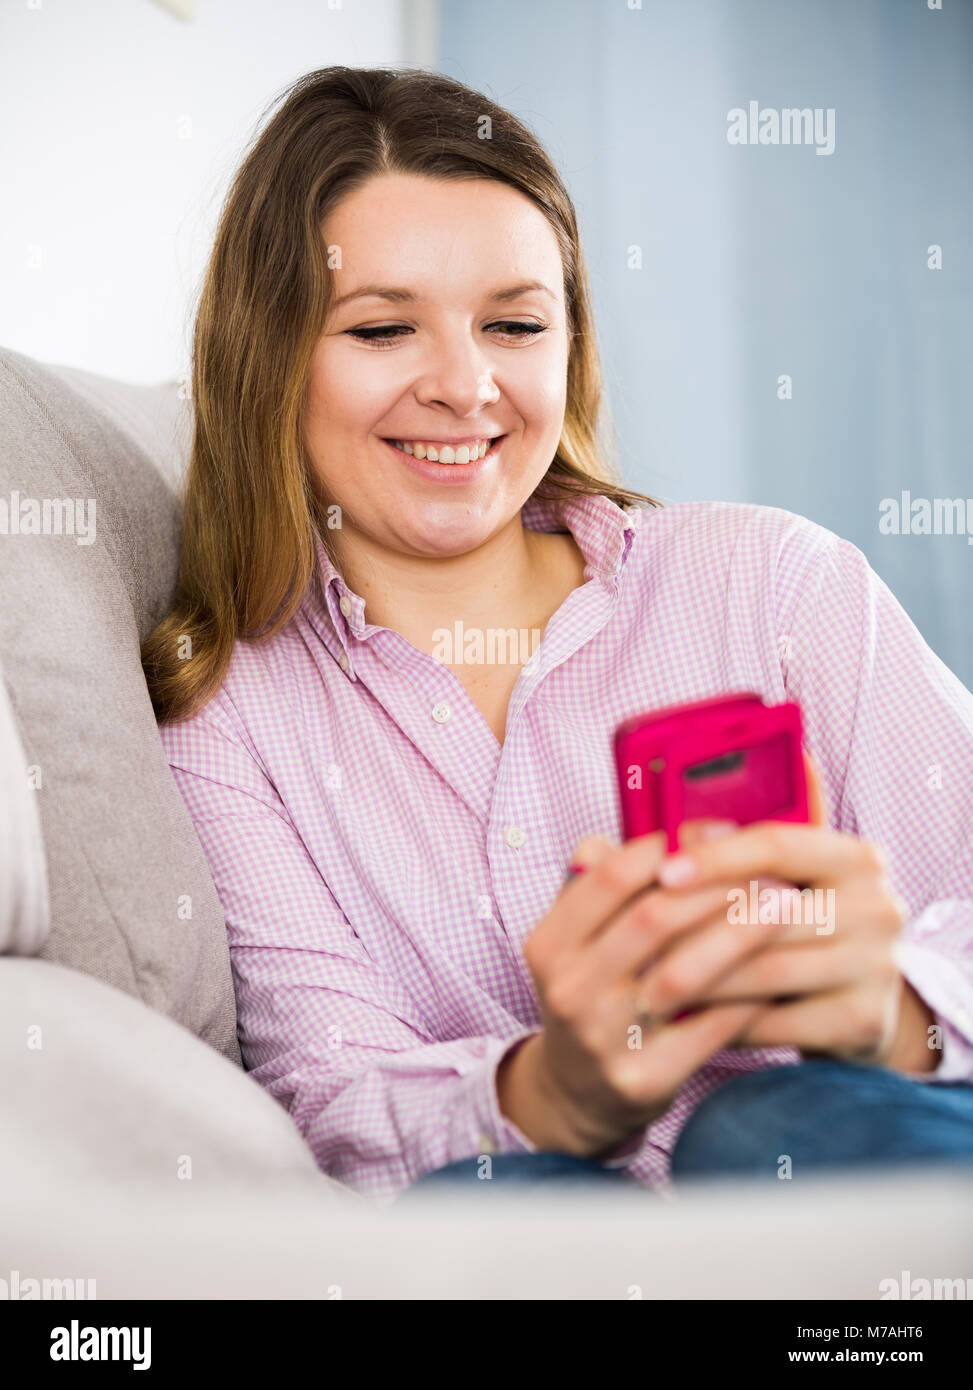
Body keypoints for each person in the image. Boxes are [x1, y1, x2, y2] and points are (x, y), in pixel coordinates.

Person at [143, 65, 973, 1205]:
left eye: (514, 323)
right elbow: (336, 1102)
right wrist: (560, 1091)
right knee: (500, 1197)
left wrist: (899, 1011)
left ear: (568, 346)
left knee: (751, 1125)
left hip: (851, 1186)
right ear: (270, 356)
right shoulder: (228, 718)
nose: (464, 384)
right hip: (534, 1220)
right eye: (384, 328)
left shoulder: (771, 585)